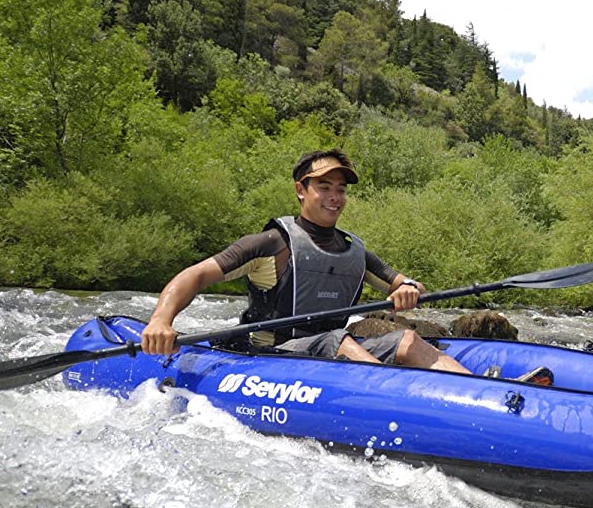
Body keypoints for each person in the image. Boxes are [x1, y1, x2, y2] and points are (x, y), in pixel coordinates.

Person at [140, 148, 551, 384]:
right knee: (339, 342)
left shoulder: (353, 249)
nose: (335, 197)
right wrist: (161, 319)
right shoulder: (272, 243)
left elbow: (402, 282)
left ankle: (479, 394)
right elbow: (194, 275)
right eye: (324, 187)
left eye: (340, 189)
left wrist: (406, 287)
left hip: (335, 350)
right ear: (301, 191)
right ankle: (402, 398)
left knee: (407, 342)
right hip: (274, 355)